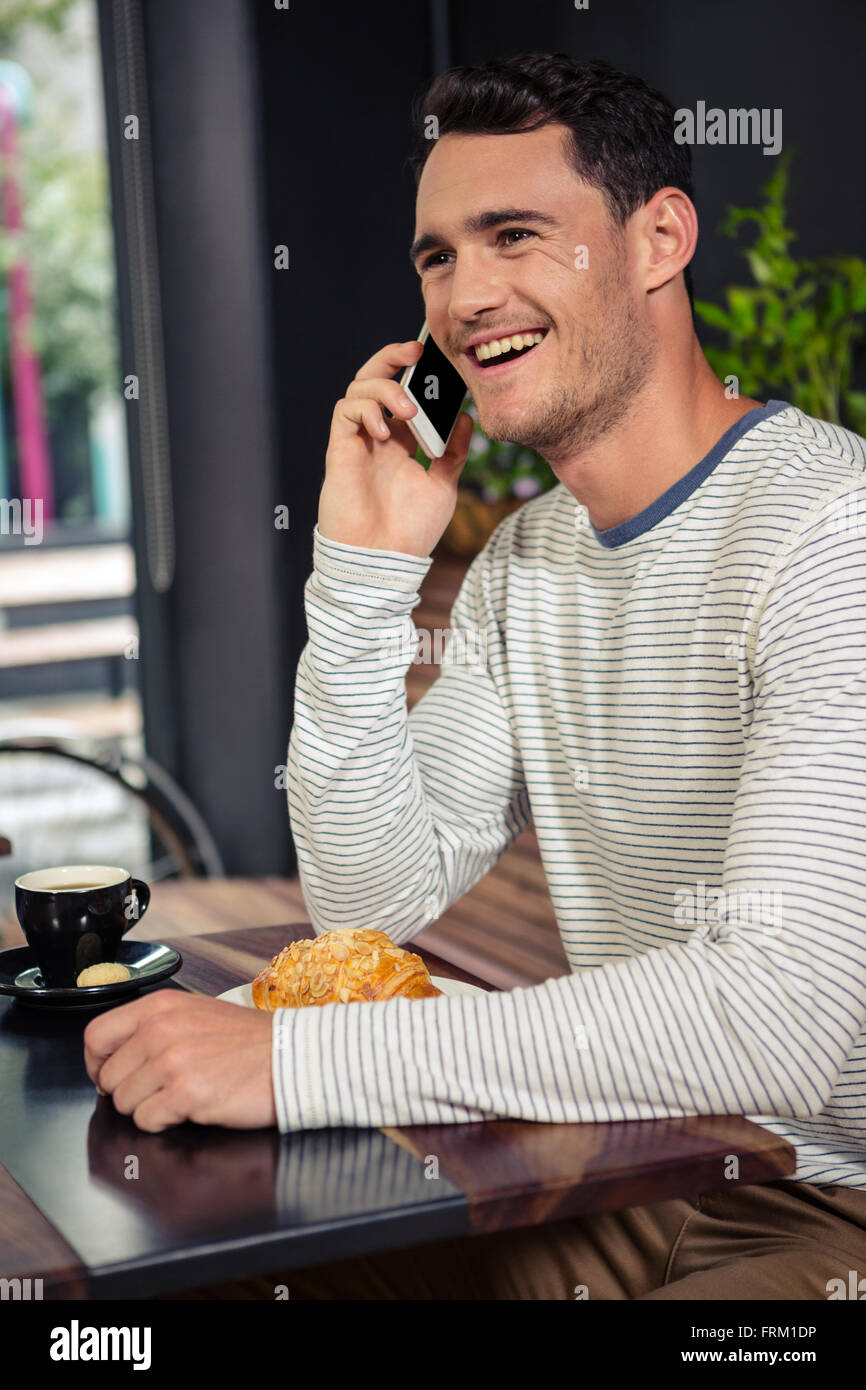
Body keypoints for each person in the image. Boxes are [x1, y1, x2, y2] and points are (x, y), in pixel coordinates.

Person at [86, 52, 866, 1300]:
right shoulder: (527, 561)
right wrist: (358, 567)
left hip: (827, 1207)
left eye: (513, 233)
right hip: (639, 1163)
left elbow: (770, 1019)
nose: (464, 294)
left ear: (658, 235)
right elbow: (369, 894)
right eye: (436, 256)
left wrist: (293, 1066)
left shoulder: (831, 533)